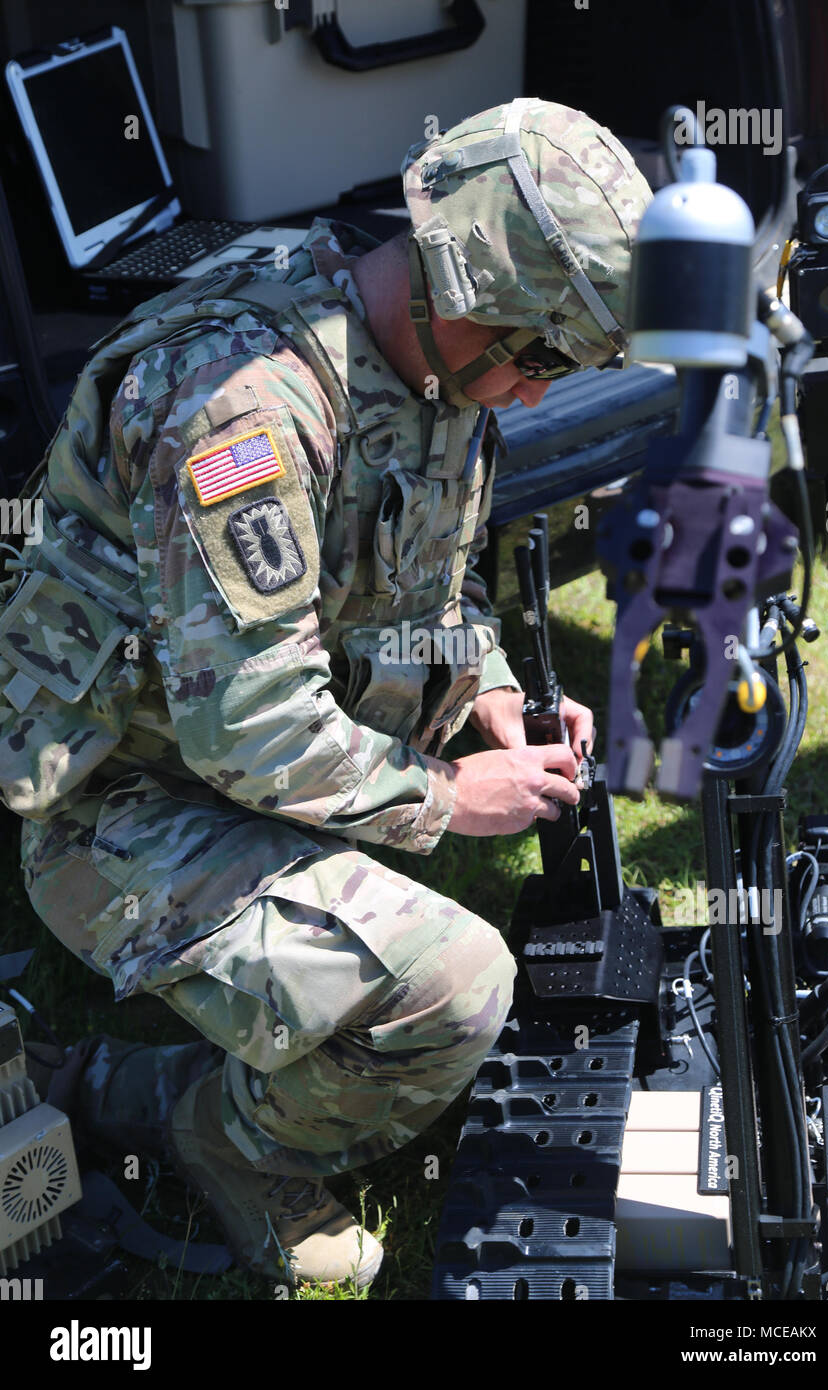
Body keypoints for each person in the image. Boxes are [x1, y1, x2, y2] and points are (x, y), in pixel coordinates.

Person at [1, 97, 651, 1288]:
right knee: (460, 991)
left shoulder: (434, 362)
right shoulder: (241, 405)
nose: (540, 394)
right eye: (542, 355)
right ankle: (202, 1133)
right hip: (124, 803)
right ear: (474, 295)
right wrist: (452, 794)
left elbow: (427, 578)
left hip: (229, 753)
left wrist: (495, 688)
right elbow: (250, 726)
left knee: (427, 943)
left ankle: (159, 1059)